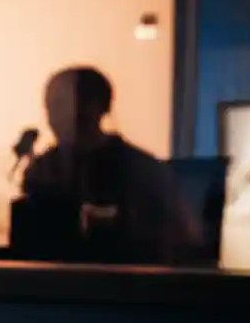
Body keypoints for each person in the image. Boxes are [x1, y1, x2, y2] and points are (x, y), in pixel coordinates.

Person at [19, 66, 200, 264]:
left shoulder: (141, 170)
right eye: (53, 105)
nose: (60, 116)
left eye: (68, 104)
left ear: (101, 106)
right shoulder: (42, 169)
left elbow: (183, 238)